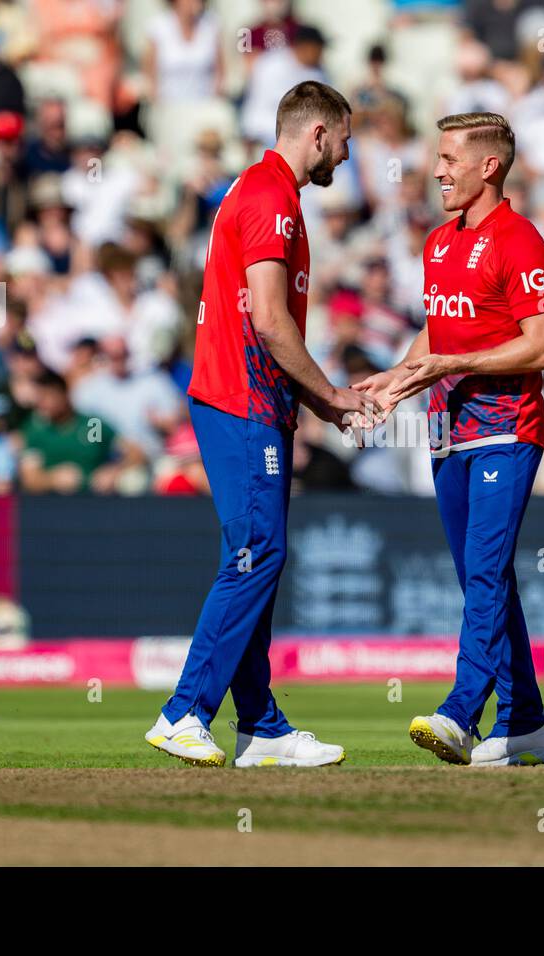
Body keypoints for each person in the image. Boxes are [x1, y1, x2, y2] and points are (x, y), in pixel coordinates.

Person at [146, 81, 363, 769]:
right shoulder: (271, 197)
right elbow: (269, 321)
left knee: (251, 557)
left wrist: (318, 404)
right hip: (242, 400)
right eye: (345, 140)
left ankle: (261, 725)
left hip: (249, 400)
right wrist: (329, 391)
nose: (348, 154)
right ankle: (184, 711)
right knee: (258, 554)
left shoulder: (263, 191)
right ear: (318, 133)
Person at [359, 112, 544, 766]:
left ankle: (461, 712)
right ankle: (525, 722)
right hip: (447, 431)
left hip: (506, 427)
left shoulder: (521, 240)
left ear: (489, 167)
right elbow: (438, 334)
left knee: (483, 572)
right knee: (485, 578)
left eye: (449, 158)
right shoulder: (439, 242)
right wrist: (395, 383)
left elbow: (543, 345)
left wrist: (454, 365)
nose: (437, 170)